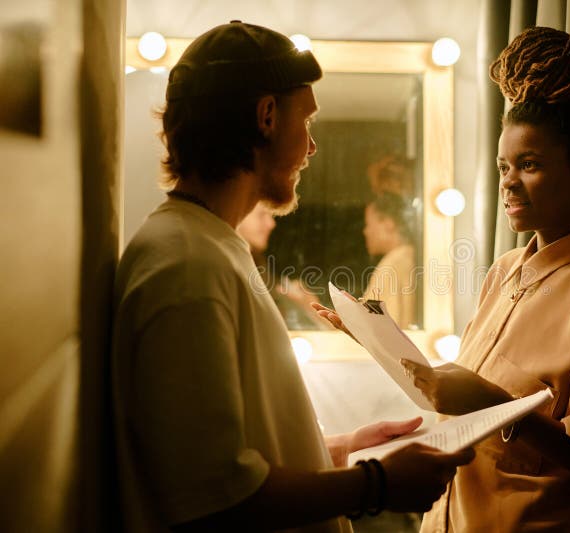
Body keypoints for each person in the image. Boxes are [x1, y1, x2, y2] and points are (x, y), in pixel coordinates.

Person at [111, 21, 474, 533]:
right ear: (266, 116)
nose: (312, 147)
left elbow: (233, 458)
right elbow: (212, 501)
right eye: (306, 122)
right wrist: (376, 485)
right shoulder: (186, 268)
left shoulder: (210, 248)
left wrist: (339, 450)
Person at [318, 26, 570, 532]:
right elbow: (462, 395)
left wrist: (494, 404)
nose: (509, 181)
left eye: (529, 164)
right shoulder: (504, 272)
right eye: (503, 165)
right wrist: (379, 342)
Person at [237, 201, 331, 330]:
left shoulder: (259, 266)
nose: (272, 224)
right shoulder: (227, 269)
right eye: (262, 215)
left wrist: (308, 305)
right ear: (237, 215)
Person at [361, 193, 417, 328]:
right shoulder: (411, 257)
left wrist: (311, 308)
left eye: (368, 224)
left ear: (388, 224)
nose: (365, 231)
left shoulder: (391, 266)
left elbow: (374, 330)